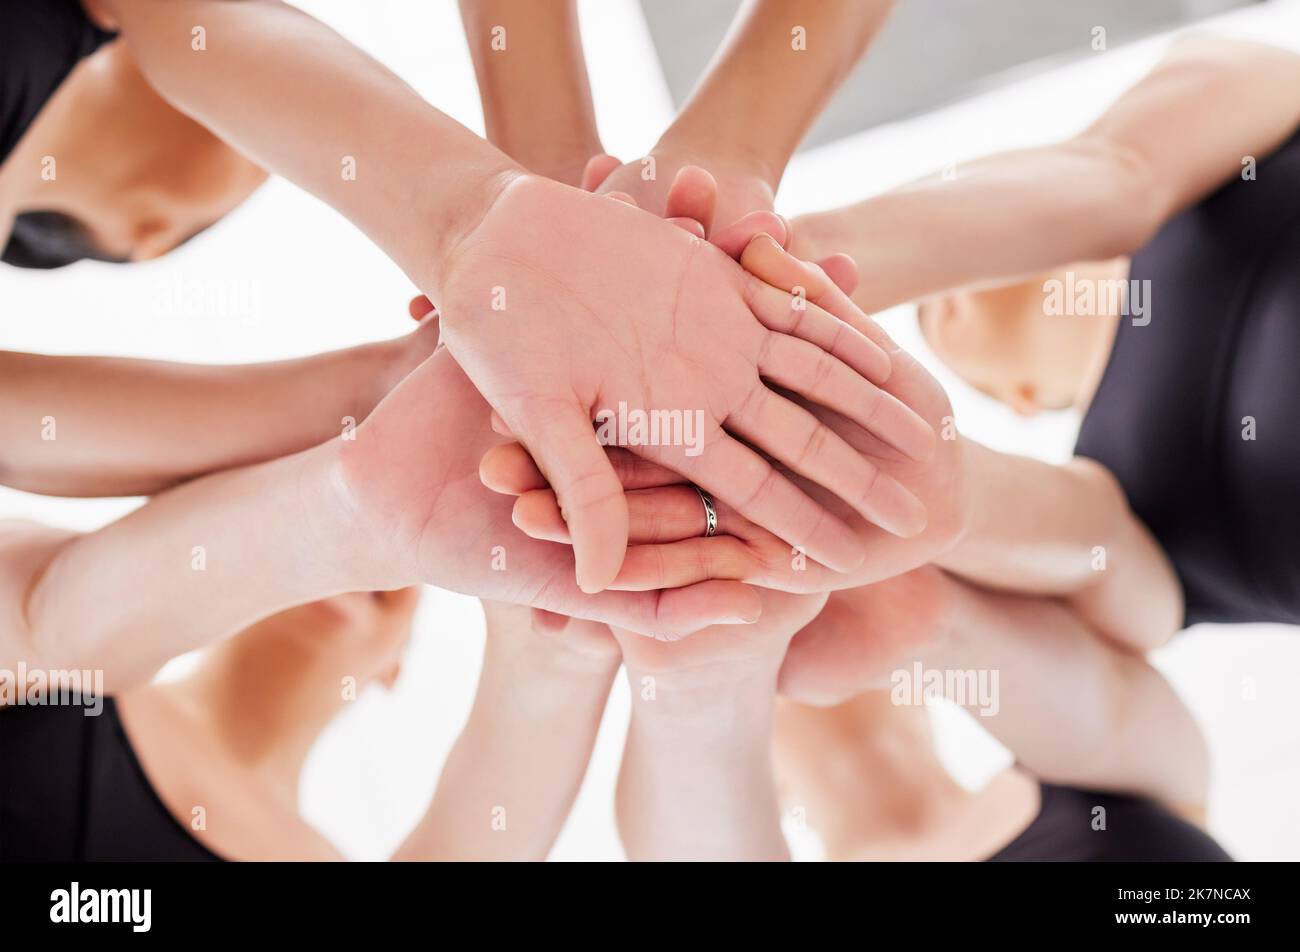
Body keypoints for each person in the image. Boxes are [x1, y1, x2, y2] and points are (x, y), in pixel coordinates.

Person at [0, 592, 621, 861]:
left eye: (392, 562)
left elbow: (549, 673)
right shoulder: (56, 664)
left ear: (393, 670)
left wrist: (544, 621)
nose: (363, 559)